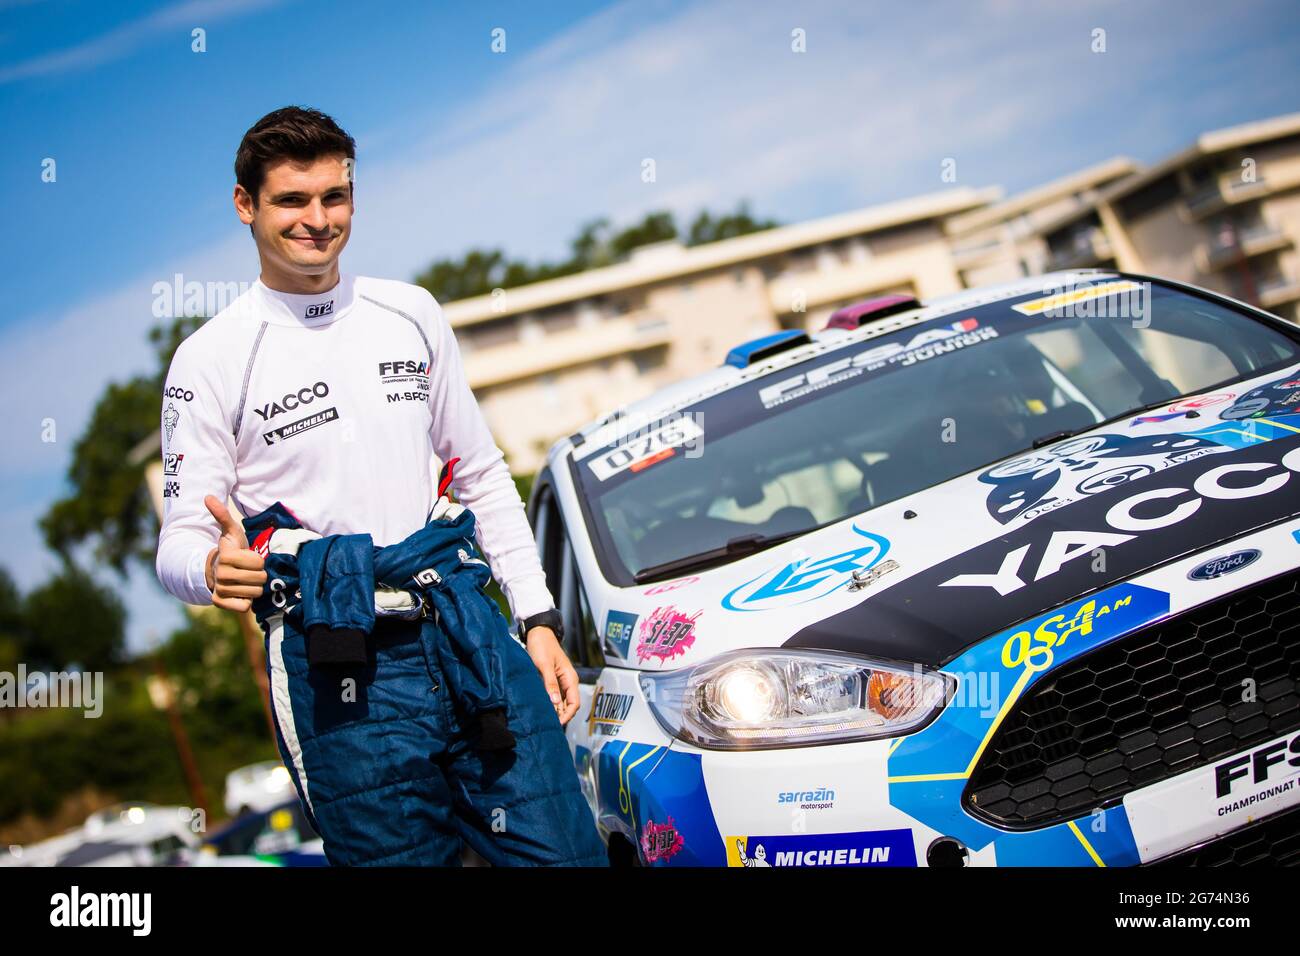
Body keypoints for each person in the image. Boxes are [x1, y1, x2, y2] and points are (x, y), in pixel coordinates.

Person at [155, 105, 606, 866]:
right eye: (292, 200)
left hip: (466, 631)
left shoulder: (411, 312)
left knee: (568, 857)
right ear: (245, 205)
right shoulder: (208, 360)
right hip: (339, 671)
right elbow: (178, 542)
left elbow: (482, 474)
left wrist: (537, 619)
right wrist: (207, 569)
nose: (317, 220)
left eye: (334, 197)